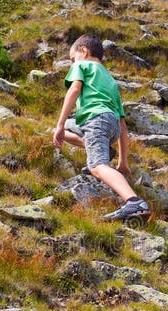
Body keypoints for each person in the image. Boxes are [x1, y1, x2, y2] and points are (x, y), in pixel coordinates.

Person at [52, 33, 150, 221]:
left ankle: (133, 201)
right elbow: (122, 123)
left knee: (96, 165)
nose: (72, 62)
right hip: (110, 125)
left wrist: (60, 123)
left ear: (83, 51)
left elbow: (74, 89)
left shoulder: (82, 64)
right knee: (62, 133)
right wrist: (123, 162)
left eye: (72, 58)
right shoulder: (110, 80)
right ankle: (103, 151)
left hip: (95, 119)